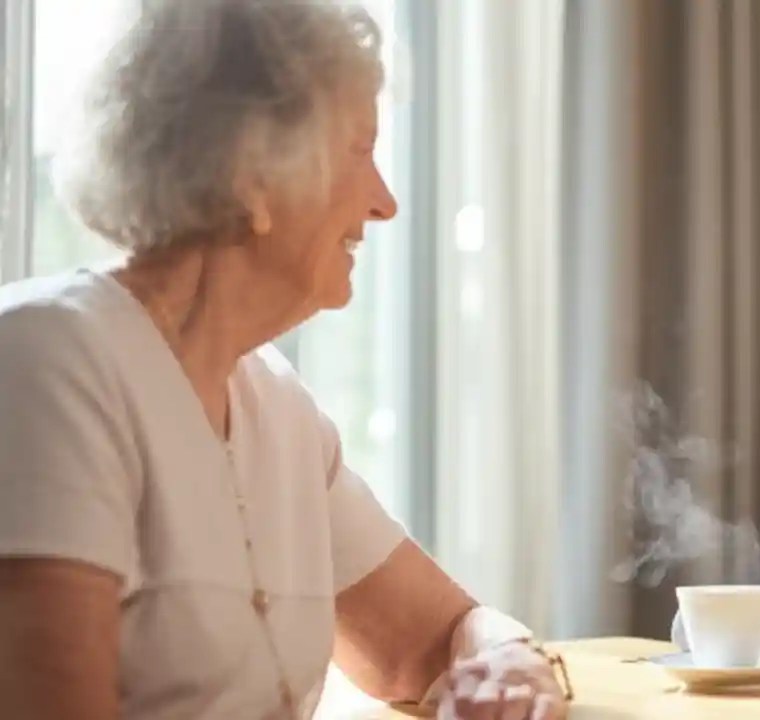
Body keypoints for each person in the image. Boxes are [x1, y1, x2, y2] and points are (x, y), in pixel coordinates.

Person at [0, 1, 566, 718]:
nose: (385, 203)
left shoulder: (276, 403)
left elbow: (430, 641)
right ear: (253, 175)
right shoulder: (50, 362)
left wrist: (508, 659)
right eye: (361, 151)